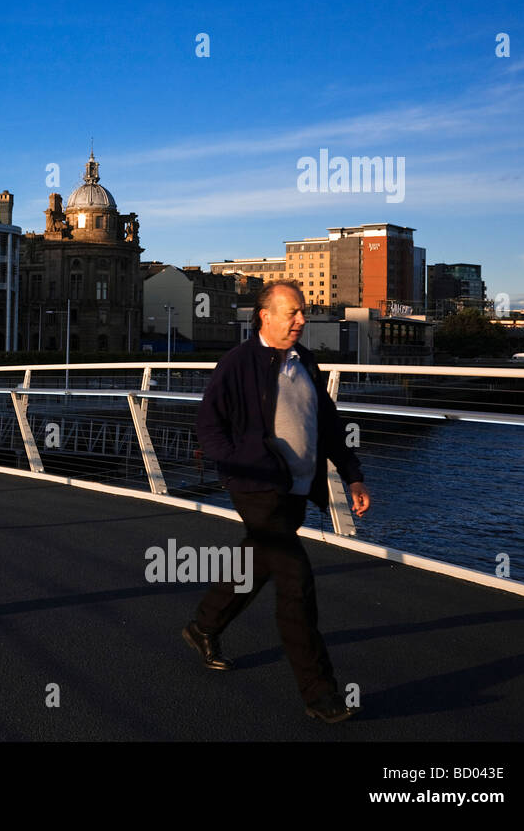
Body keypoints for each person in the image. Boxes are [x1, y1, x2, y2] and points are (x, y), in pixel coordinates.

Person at [185, 280, 371, 724]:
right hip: (257, 489)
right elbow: (209, 425)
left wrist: (353, 475)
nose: (301, 320)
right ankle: (320, 693)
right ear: (264, 316)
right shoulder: (238, 363)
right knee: (296, 582)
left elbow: (327, 424)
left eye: (302, 312)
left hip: (296, 489)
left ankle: (203, 626)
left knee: (256, 563)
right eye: (293, 313)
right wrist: (239, 466)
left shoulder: (304, 360)